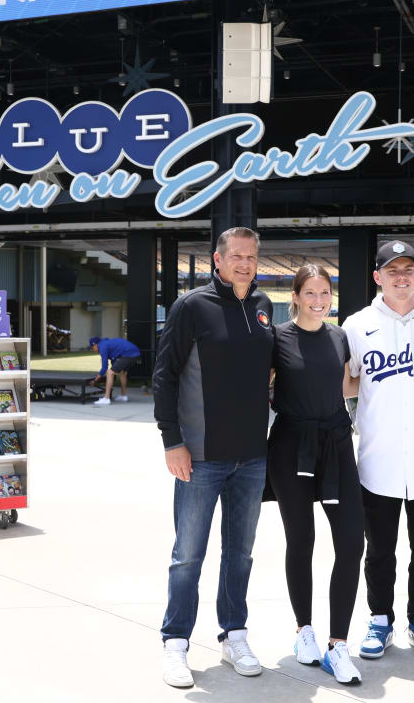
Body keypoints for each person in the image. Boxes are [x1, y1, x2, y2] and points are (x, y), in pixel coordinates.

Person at [153, 227, 276, 689]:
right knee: (188, 555)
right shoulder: (192, 307)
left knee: (240, 555)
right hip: (200, 456)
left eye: (251, 257)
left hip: (251, 456)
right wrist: (172, 441)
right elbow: (164, 377)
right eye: (236, 256)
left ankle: (234, 636)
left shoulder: (263, 308)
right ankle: (175, 642)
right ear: (217, 260)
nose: (244, 264)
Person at [342, 240, 414, 662]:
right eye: (392, 270)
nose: (401, 276)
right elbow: (344, 382)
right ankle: (380, 618)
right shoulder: (356, 325)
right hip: (378, 460)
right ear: (377, 277)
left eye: (408, 268)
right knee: (378, 551)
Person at [265, 264, 364, 685]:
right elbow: (258, 387)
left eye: (325, 292)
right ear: (295, 295)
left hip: (337, 444)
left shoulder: (340, 336)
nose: (319, 299)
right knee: (301, 539)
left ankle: (338, 645)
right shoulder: (277, 338)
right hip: (291, 446)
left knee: (350, 542)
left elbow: (344, 386)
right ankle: (304, 630)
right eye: (310, 292)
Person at [89, 335, 141, 406]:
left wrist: (96, 380)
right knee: (122, 372)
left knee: (109, 373)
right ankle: (123, 396)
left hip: (129, 354)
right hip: (135, 353)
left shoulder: (102, 347)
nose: (93, 350)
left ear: (95, 345)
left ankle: (106, 398)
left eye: (92, 348)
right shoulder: (106, 343)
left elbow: (104, 367)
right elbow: (114, 361)